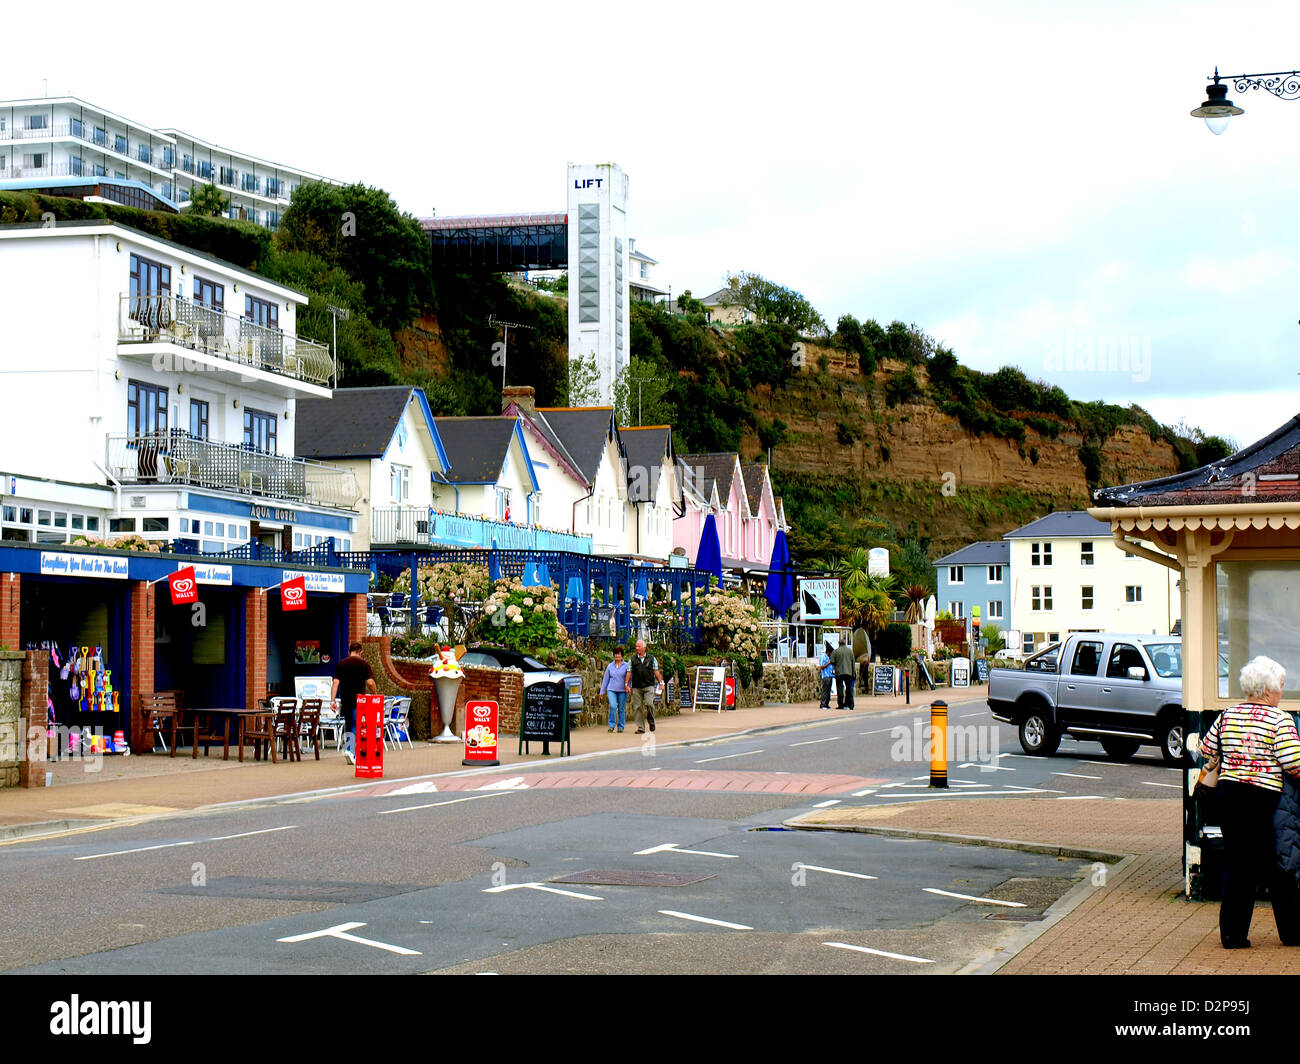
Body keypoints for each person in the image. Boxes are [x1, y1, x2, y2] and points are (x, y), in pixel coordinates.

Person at [1199, 655, 1300, 949]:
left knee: (1237, 862)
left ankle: (1232, 934)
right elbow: (1293, 763)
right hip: (1264, 799)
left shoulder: (1228, 715)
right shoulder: (1280, 720)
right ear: (1268, 691)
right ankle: (1292, 932)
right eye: (1280, 686)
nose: (1282, 692)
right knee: (1278, 865)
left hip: (1229, 795)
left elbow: (1206, 747)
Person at [331, 641, 377, 766]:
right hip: (359, 700)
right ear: (361, 652)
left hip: (345, 699)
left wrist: (332, 700)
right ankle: (350, 751)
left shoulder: (341, 664)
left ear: (349, 651)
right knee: (356, 726)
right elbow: (370, 683)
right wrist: (375, 693)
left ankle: (348, 750)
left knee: (348, 724)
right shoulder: (363, 664)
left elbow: (335, 683)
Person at [628, 638, 663, 735]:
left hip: (649, 685)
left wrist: (661, 683)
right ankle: (640, 728)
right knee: (637, 707)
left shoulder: (652, 658)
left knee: (649, 704)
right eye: (636, 646)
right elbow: (629, 672)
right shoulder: (632, 659)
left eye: (639, 646)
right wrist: (626, 684)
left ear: (644, 647)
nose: (637, 648)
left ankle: (651, 721)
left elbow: (656, 671)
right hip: (636, 686)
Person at [600, 645, 631, 733]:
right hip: (611, 689)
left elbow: (630, 677)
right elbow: (606, 679)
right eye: (616, 654)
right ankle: (611, 725)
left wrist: (628, 686)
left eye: (619, 654)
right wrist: (602, 691)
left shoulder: (626, 665)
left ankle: (621, 726)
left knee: (621, 708)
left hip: (622, 690)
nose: (617, 656)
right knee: (613, 706)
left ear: (622, 655)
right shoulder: (610, 666)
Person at [832, 638, 857, 710]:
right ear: (845, 643)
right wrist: (853, 673)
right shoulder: (850, 651)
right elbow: (853, 662)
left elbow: (832, 661)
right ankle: (849, 704)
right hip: (849, 673)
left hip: (839, 673)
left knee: (840, 688)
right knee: (849, 689)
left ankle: (840, 704)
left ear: (839, 644)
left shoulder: (836, 651)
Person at [817, 642, 835, 710]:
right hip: (825, 676)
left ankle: (827, 704)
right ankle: (823, 704)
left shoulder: (829, 657)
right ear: (828, 652)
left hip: (830, 675)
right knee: (825, 690)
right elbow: (822, 667)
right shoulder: (823, 657)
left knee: (828, 690)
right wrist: (829, 663)